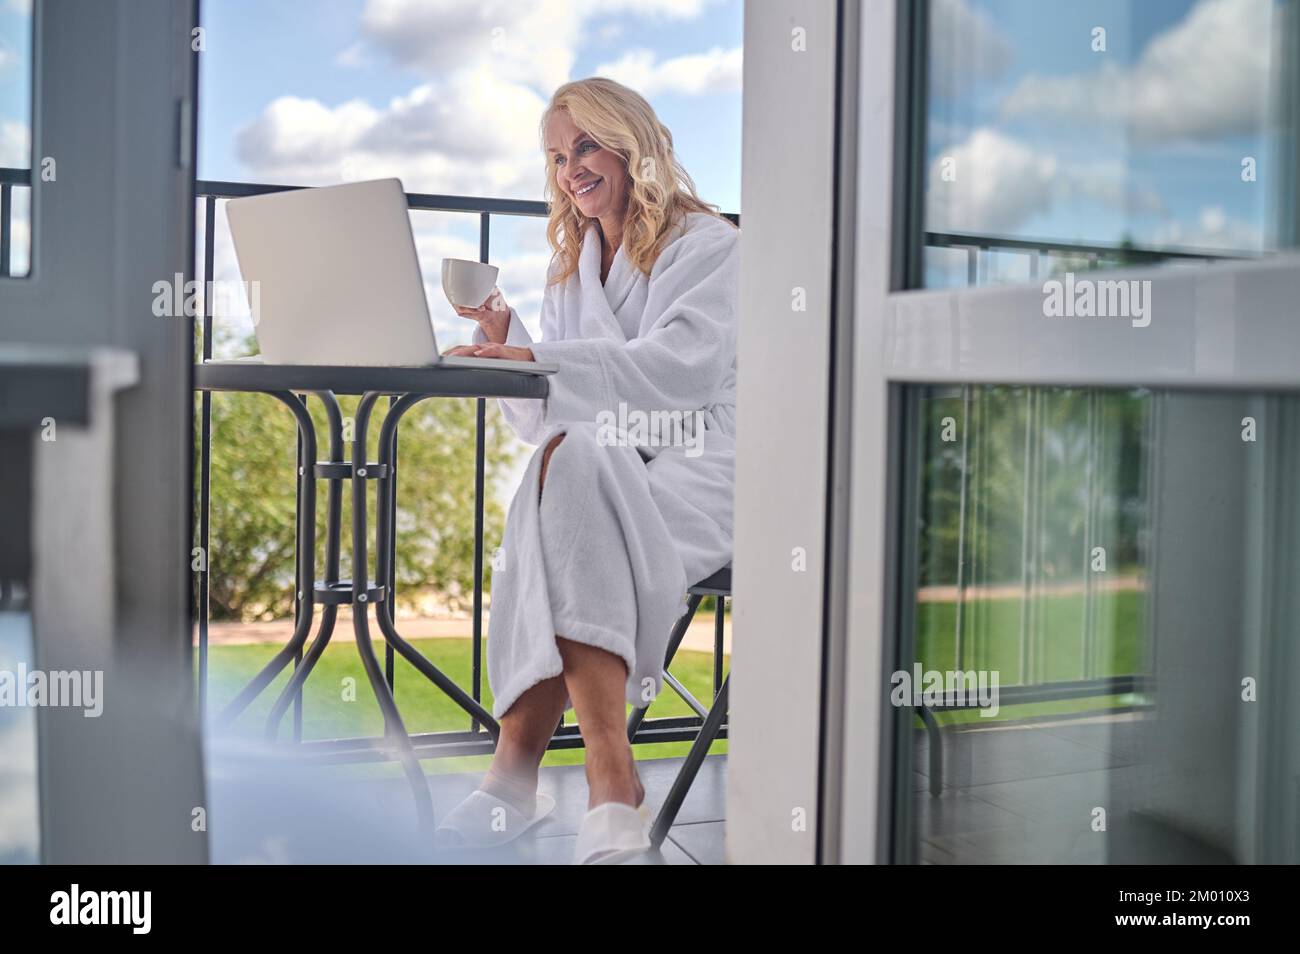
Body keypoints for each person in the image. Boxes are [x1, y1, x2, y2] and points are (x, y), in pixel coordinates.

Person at [437, 76, 739, 864]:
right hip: (608, 457)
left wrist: (538, 359)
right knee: (564, 477)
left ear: (631, 145)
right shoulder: (572, 269)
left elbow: (680, 375)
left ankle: (520, 774)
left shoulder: (710, 246)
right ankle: (611, 781)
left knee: (557, 514)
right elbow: (551, 418)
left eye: (585, 146)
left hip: (709, 454)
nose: (571, 169)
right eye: (557, 156)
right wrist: (514, 337)